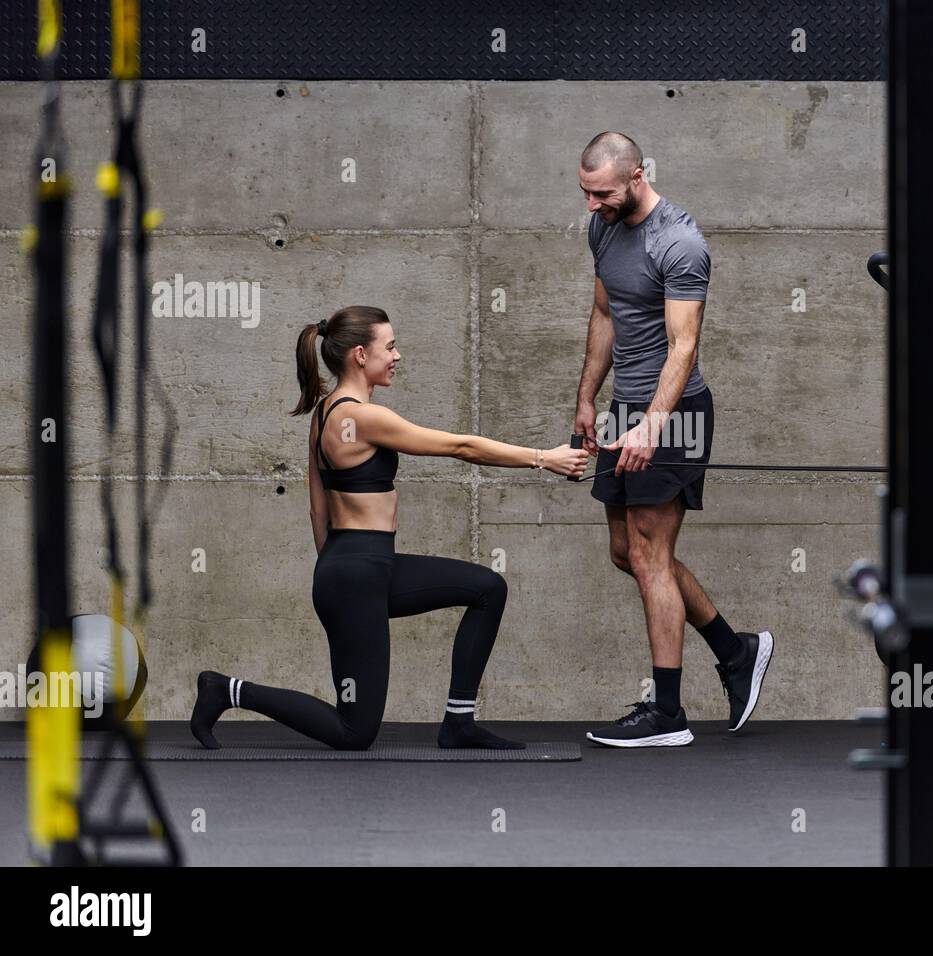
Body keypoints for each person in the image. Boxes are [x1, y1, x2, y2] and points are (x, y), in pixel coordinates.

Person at [190, 305, 588, 750]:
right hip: (358, 573)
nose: (397, 356)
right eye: (391, 346)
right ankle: (225, 689)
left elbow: (317, 510)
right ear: (361, 355)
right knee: (354, 731)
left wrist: (339, 573)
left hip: (358, 569)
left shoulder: (325, 414)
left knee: (487, 587)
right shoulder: (361, 417)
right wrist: (543, 458)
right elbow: (461, 447)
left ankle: (459, 722)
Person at [574, 132, 774, 747]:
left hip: (674, 411)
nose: (592, 205)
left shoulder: (680, 242)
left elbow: (684, 345)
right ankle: (735, 650)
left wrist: (653, 423)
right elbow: (606, 313)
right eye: (585, 193)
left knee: (649, 555)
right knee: (624, 552)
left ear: (637, 175)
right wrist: (587, 397)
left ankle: (667, 714)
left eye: (602, 193)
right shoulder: (602, 229)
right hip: (623, 406)